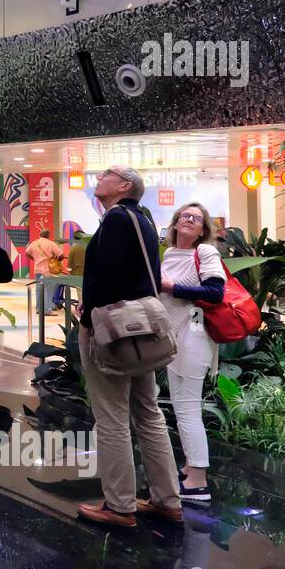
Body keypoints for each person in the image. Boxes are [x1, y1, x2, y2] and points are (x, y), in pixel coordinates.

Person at [76, 165, 182, 529]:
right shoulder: (143, 220)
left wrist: (87, 316)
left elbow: (106, 277)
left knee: (111, 417)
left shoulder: (117, 220)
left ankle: (120, 505)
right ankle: (167, 500)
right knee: (148, 412)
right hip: (142, 332)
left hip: (115, 333)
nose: (98, 179)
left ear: (124, 186)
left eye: (105, 175)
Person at [160, 203, 225, 505]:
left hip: (193, 337)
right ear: (175, 224)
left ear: (203, 229)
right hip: (175, 339)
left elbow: (215, 292)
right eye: (185, 216)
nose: (189, 220)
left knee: (187, 410)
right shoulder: (170, 255)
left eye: (196, 218)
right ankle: (189, 469)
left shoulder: (206, 253)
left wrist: (173, 287)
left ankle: (198, 481)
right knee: (180, 406)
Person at [27, 228, 67, 314]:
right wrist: (56, 260)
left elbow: (27, 252)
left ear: (40, 235)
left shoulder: (34, 243)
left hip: (37, 269)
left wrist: (35, 259)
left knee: (39, 289)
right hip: (48, 271)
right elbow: (62, 255)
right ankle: (47, 310)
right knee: (49, 290)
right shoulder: (51, 244)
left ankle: (38, 308)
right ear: (49, 235)